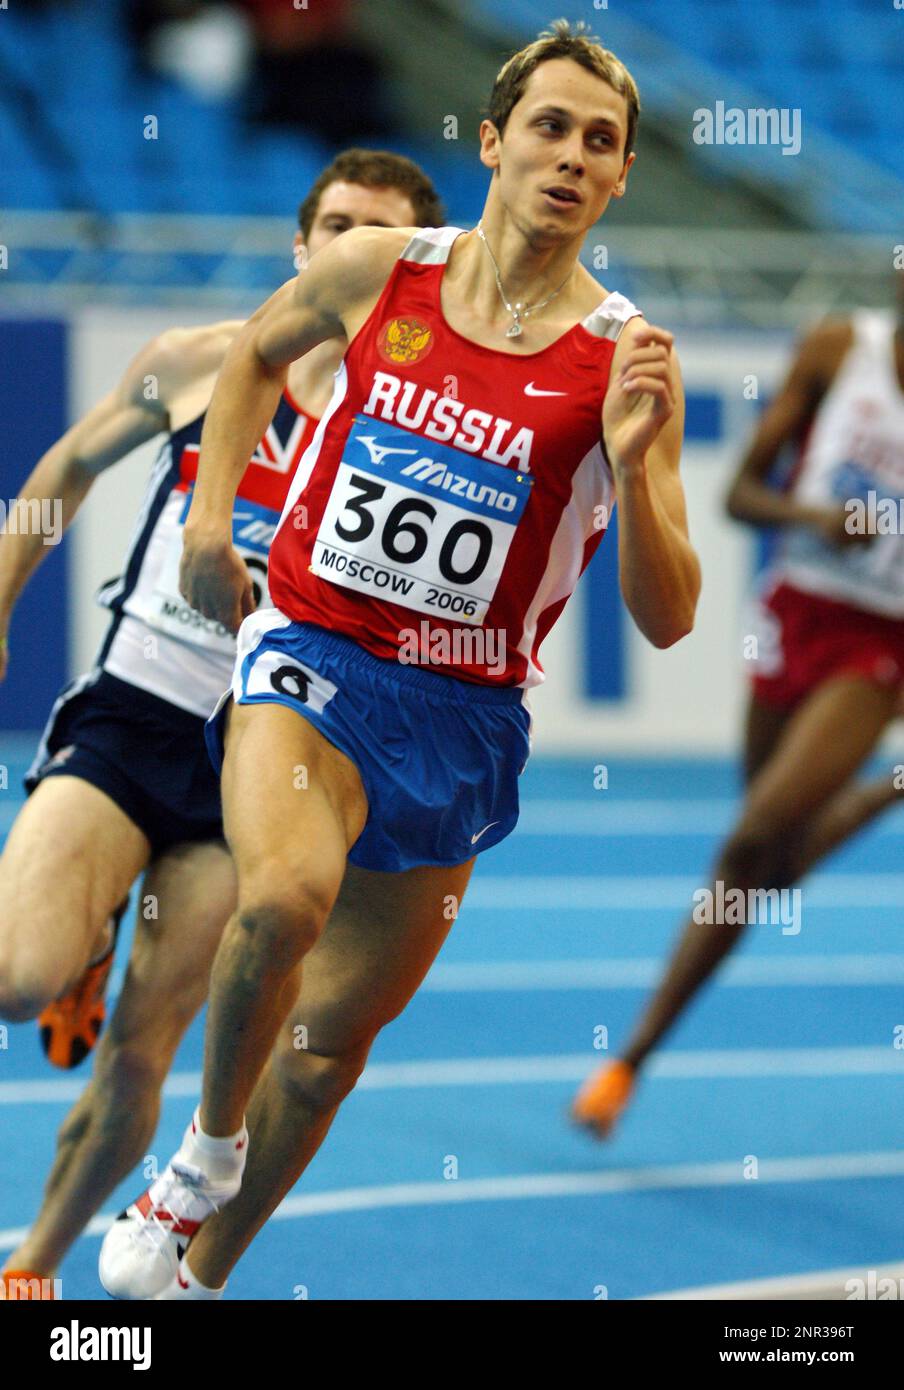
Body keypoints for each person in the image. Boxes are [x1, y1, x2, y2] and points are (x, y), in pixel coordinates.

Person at [100, 19, 700, 1301]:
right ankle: (201, 1153)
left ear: (621, 177)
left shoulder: (627, 359)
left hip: (463, 718)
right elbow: (255, 353)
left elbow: (668, 615)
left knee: (322, 1055)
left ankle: (201, 1283)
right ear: (491, 141)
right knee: (280, 901)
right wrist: (212, 530)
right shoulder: (383, 269)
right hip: (311, 651)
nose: (570, 156)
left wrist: (642, 470)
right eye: (548, 126)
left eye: (601, 142)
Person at [0, 149, 443, 1298]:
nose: (352, 246)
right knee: (13, 973)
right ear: (304, 249)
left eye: (378, 234)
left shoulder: (413, 437)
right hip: (130, 715)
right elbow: (62, 466)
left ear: (404, 271)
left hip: (254, 762)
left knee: (145, 1050)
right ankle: (80, 944)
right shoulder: (197, 365)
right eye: (335, 225)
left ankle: (32, 1262)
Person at [573, 286, 904, 1137]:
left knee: (752, 841)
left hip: (883, 649)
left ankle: (629, 1058)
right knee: (766, 864)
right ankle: (887, 789)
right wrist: (817, 518)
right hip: (794, 611)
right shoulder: (840, 350)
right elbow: (740, 497)